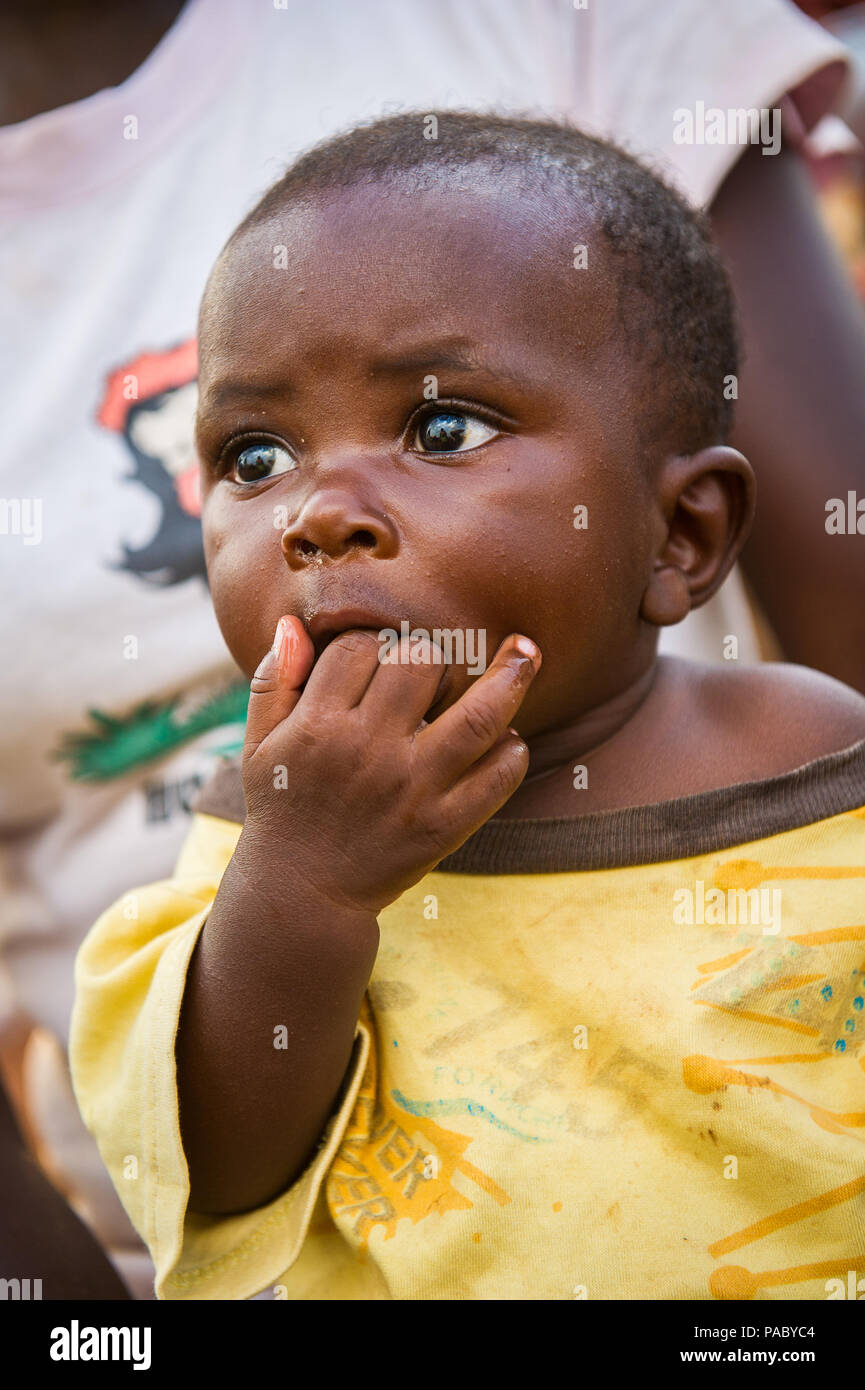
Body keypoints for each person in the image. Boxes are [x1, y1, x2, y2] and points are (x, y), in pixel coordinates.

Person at [3, 0, 862, 1299]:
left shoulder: (818, 775)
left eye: (444, 429)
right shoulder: (244, 857)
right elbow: (217, 1181)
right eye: (253, 456)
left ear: (680, 538)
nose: (320, 509)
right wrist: (305, 893)